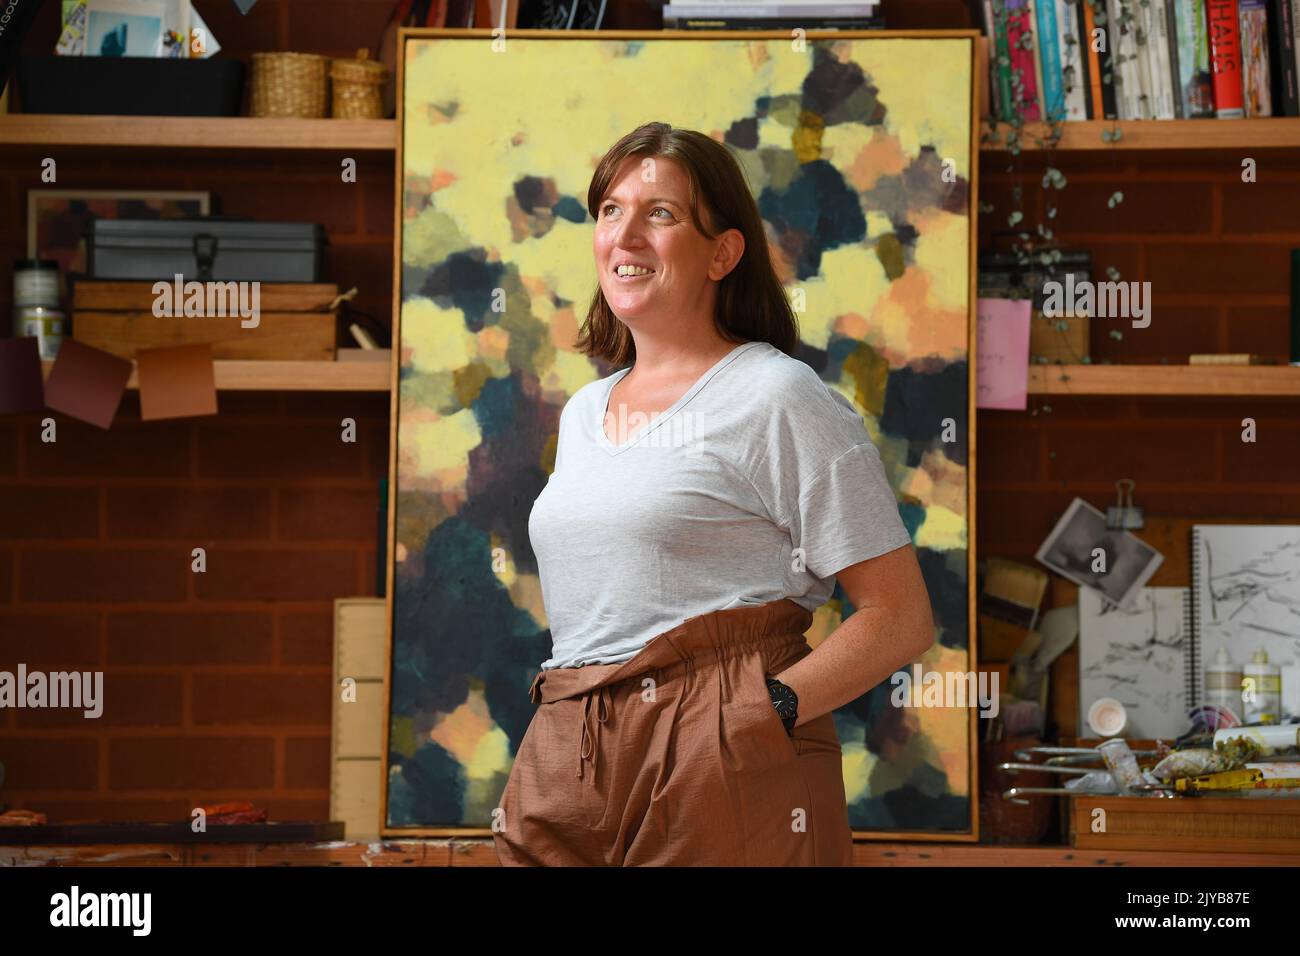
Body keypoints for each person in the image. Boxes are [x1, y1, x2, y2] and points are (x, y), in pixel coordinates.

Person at [493, 121, 935, 866]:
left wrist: (762, 715)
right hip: (566, 738)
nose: (625, 234)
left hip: (717, 746)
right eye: (610, 210)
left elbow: (899, 617)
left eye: (659, 214)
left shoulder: (777, 395)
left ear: (724, 252)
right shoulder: (582, 413)